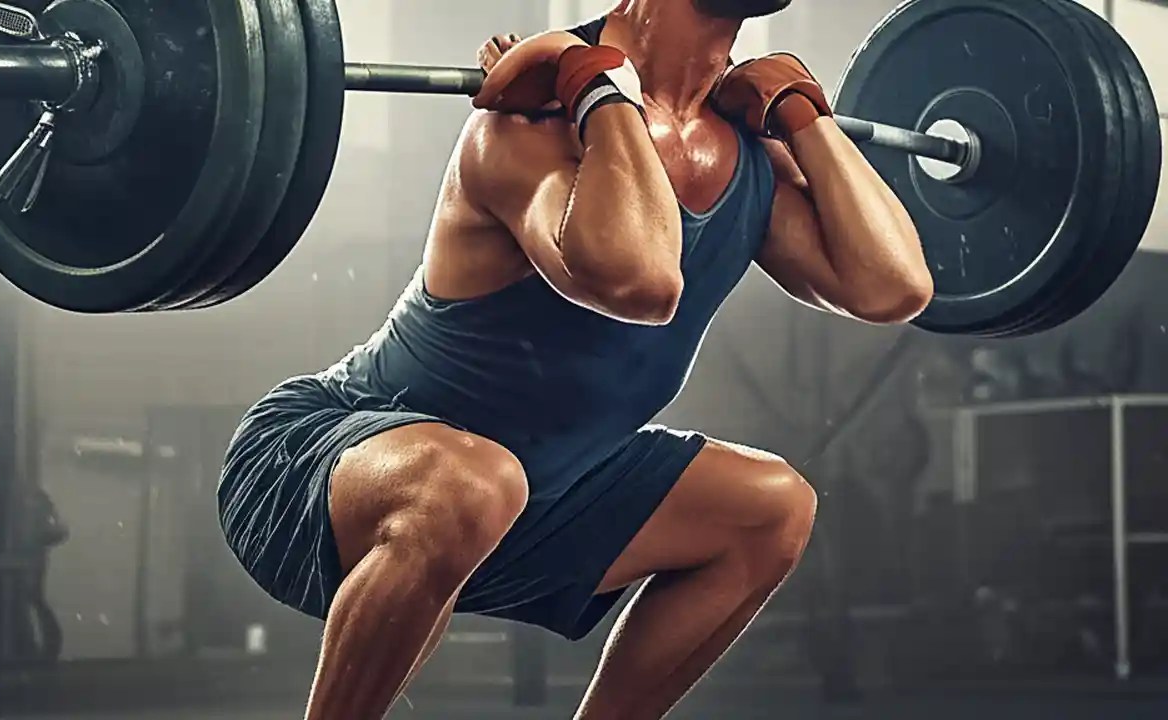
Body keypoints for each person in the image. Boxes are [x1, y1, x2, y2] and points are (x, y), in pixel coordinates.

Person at [217, 0, 931, 717]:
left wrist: (808, 117)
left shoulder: (746, 149)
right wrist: (597, 89)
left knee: (772, 509)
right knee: (475, 484)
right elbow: (641, 281)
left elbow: (894, 285)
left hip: (540, 495)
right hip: (321, 467)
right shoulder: (527, 124)